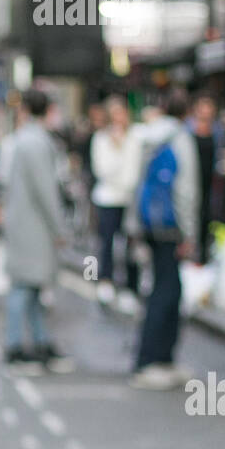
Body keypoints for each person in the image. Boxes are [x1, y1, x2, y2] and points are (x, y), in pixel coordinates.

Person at [0, 88, 74, 373]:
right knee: (24, 287)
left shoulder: (24, 140)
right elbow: (46, 190)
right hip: (33, 226)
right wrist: (60, 227)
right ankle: (15, 346)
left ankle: (40, 342)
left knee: (30, 286)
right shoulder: (37, 143)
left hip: (23, 222)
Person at [126, 87, 199, 389]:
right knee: (166, 292)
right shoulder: (181, 139)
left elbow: (136, 183)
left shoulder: (147, 137)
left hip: (150, 225)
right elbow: (186, 190)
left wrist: (133, 226)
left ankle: (162, 358)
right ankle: (150, 361)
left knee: (166, 288)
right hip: (172, 228)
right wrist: (190, 233)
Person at [90, 95, 140, 310]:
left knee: (131, 245)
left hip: (129, 200)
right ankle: (105, 280)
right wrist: (117, 150)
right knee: (106, 242)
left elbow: (133, 174)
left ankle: (130, 289)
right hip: (107, 199)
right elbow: (102, 170)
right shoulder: (101, 139)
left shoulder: (134, 138)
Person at [189, 94, 219, 265]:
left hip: (211, 182)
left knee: (207, 216)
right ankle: (192, 255)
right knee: (192, 215)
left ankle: (203, 257)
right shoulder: (188, 130)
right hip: (192, 180)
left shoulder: (217, 131)